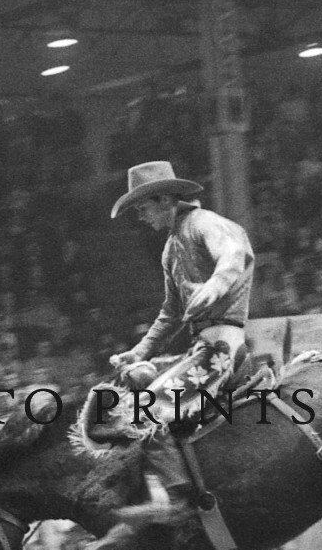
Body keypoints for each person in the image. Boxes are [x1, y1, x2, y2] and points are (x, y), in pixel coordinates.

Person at [106, 161, 255, 448]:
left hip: (222, 350)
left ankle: (177, 491)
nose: (141, 217)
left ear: (163, 200)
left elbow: (236, 252)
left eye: (143, 208)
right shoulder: (170, 249)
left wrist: (217, 283)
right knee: (133, 380)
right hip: (202, 349)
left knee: (145, 412)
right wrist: (139, 352)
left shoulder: (204, 222)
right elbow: (171, 313)